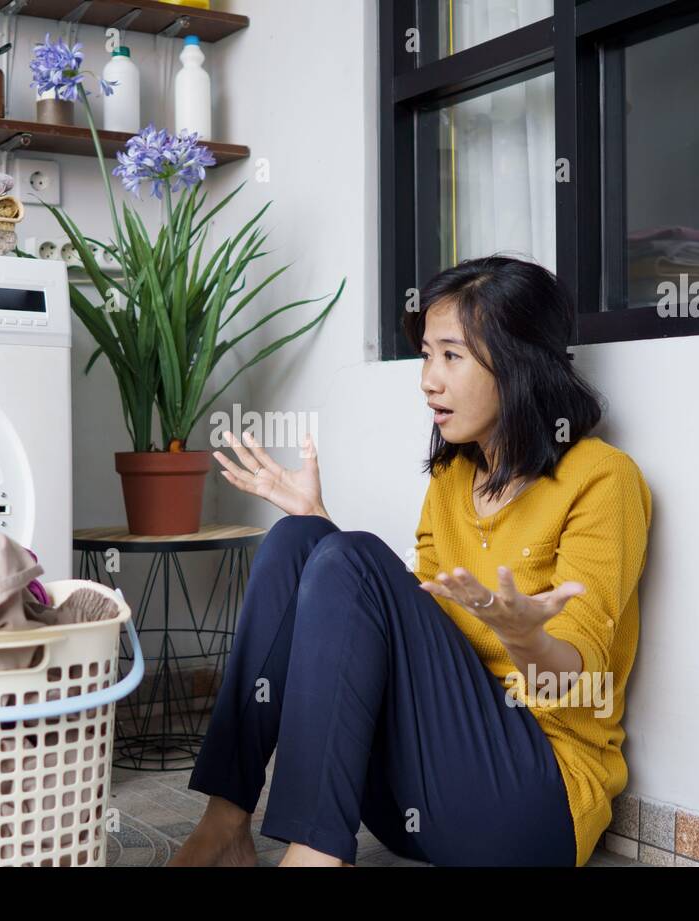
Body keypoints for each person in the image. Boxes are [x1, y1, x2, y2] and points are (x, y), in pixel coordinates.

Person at [168, 255, 653, 867]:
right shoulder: (454, 477)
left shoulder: (602, 479)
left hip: (530, 808)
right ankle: (225, 823)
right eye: (427, 354)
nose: (428, 379)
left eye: (451, 355)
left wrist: (526, 636)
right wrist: (319, 527)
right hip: (417, 806)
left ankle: (315, 855)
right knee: (299, 539)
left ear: (520, 360)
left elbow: (578, 675)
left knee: (347, 553)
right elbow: (403, 629)